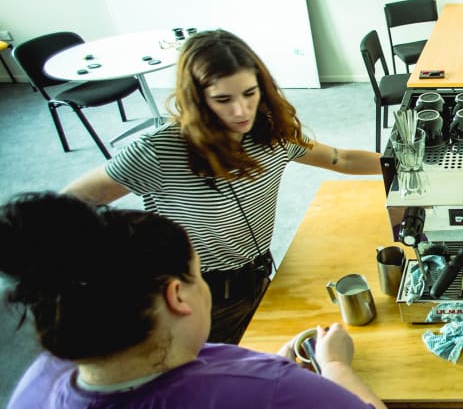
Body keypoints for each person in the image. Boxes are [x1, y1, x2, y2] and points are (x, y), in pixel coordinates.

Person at [0, 192, 399, 409]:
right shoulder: (269, 403)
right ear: (177, 295)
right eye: (198, 274)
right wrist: (335, 366)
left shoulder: (38, 382)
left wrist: (266, 376)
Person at [63, 29, 381, 344]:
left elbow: (341, 159)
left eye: (249, 93)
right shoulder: (159, 152)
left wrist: (405, 163)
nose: (241, 111)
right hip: (198, 299)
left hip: (258, 277)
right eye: (223, 99)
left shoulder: (271, 135)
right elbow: (66, 204)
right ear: (197, 98)